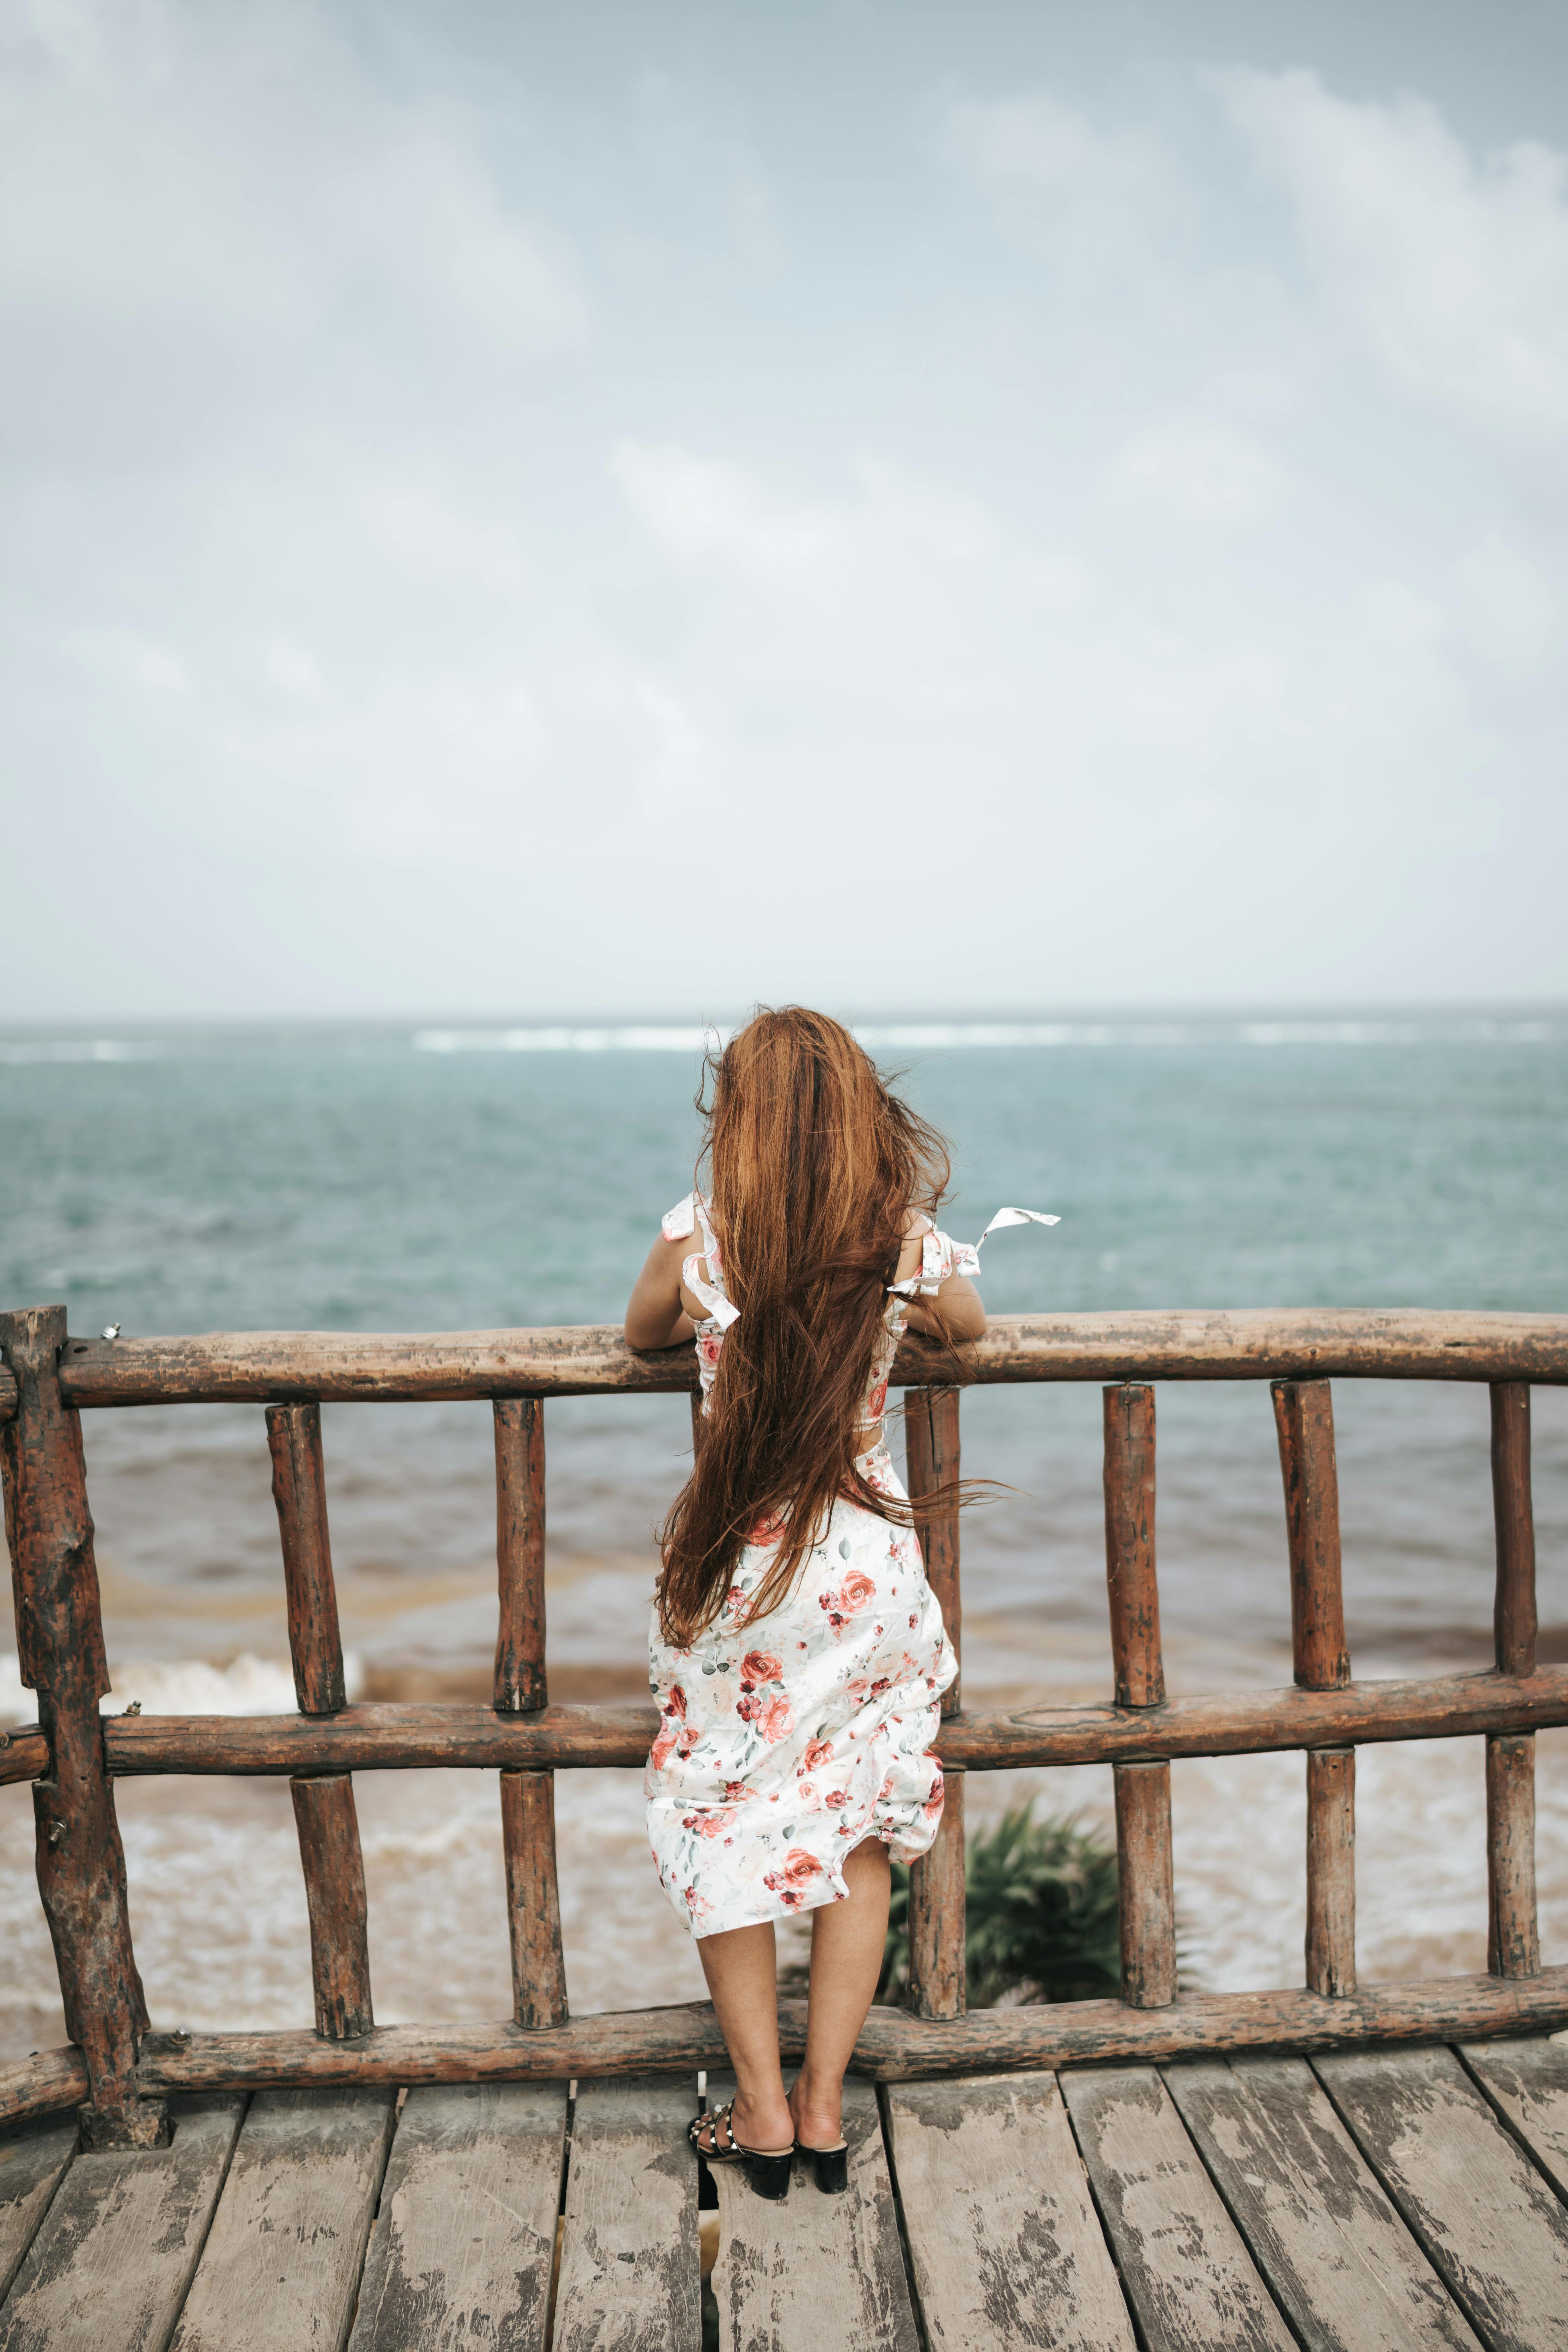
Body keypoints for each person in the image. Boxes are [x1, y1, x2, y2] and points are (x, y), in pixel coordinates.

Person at [624, 1007, 1054, 2199]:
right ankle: (825, 2111)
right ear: (862, 1118)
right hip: (861, 1571)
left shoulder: (700, 1239)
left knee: (725, 1823)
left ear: (742, 1120)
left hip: (738, 1574)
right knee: (855, 1828)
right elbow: (970, 1327)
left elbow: (638, 1330)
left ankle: (758, 2113)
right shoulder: (902, 1241)